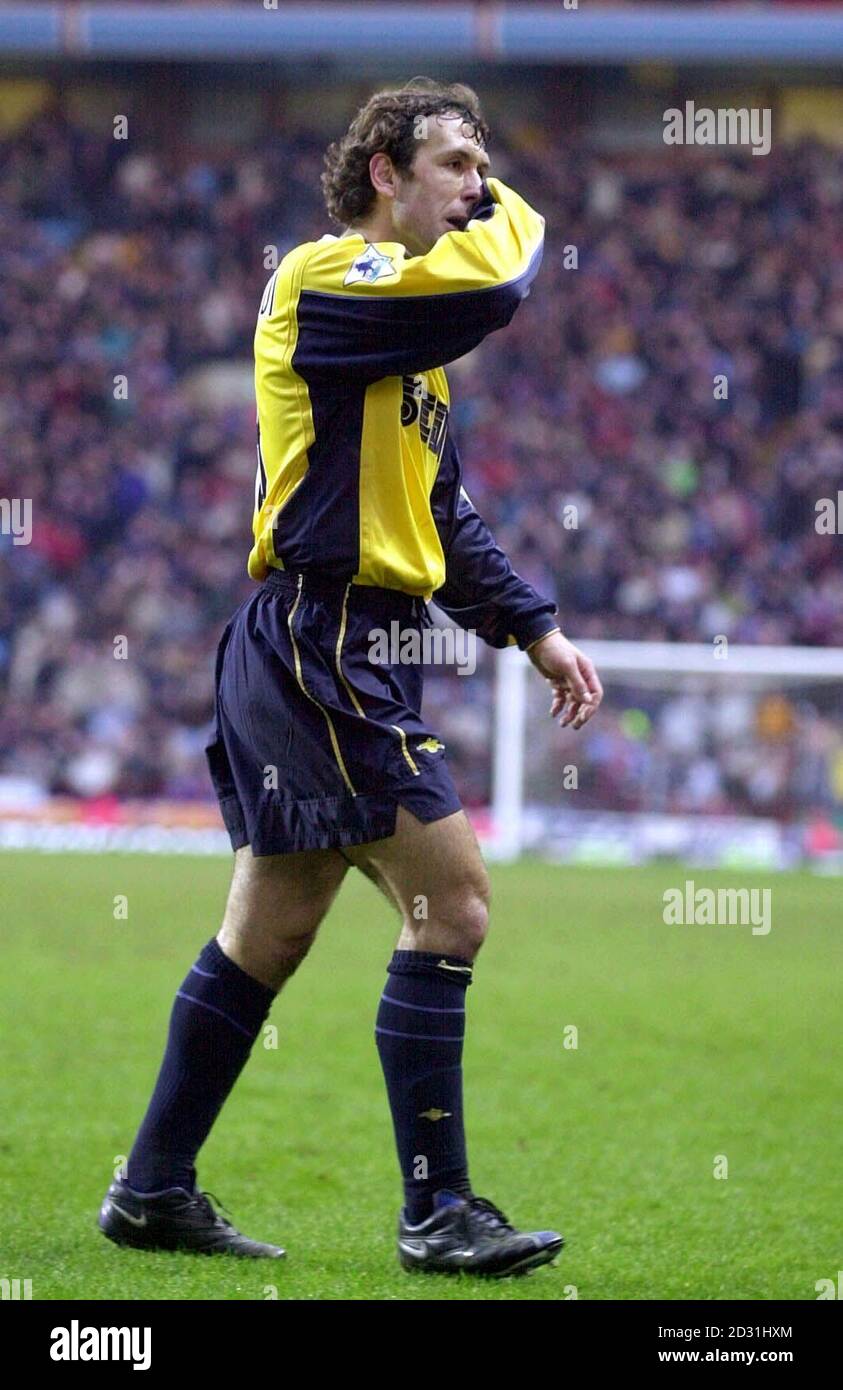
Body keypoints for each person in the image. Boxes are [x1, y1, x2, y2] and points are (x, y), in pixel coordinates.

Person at [99, 78, 603, 1278]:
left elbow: (445, 516)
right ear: (386, 170)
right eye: (455, 164)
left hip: (340, 644)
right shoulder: (328, 279)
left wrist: (534, 629)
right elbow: (500, 279)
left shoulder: (410, 350)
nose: (477, 189)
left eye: (481, 169)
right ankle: (438, 1210)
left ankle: (150, 1189)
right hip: (318, 642)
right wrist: (512, 200)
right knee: (457, 900)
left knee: (267, 933)